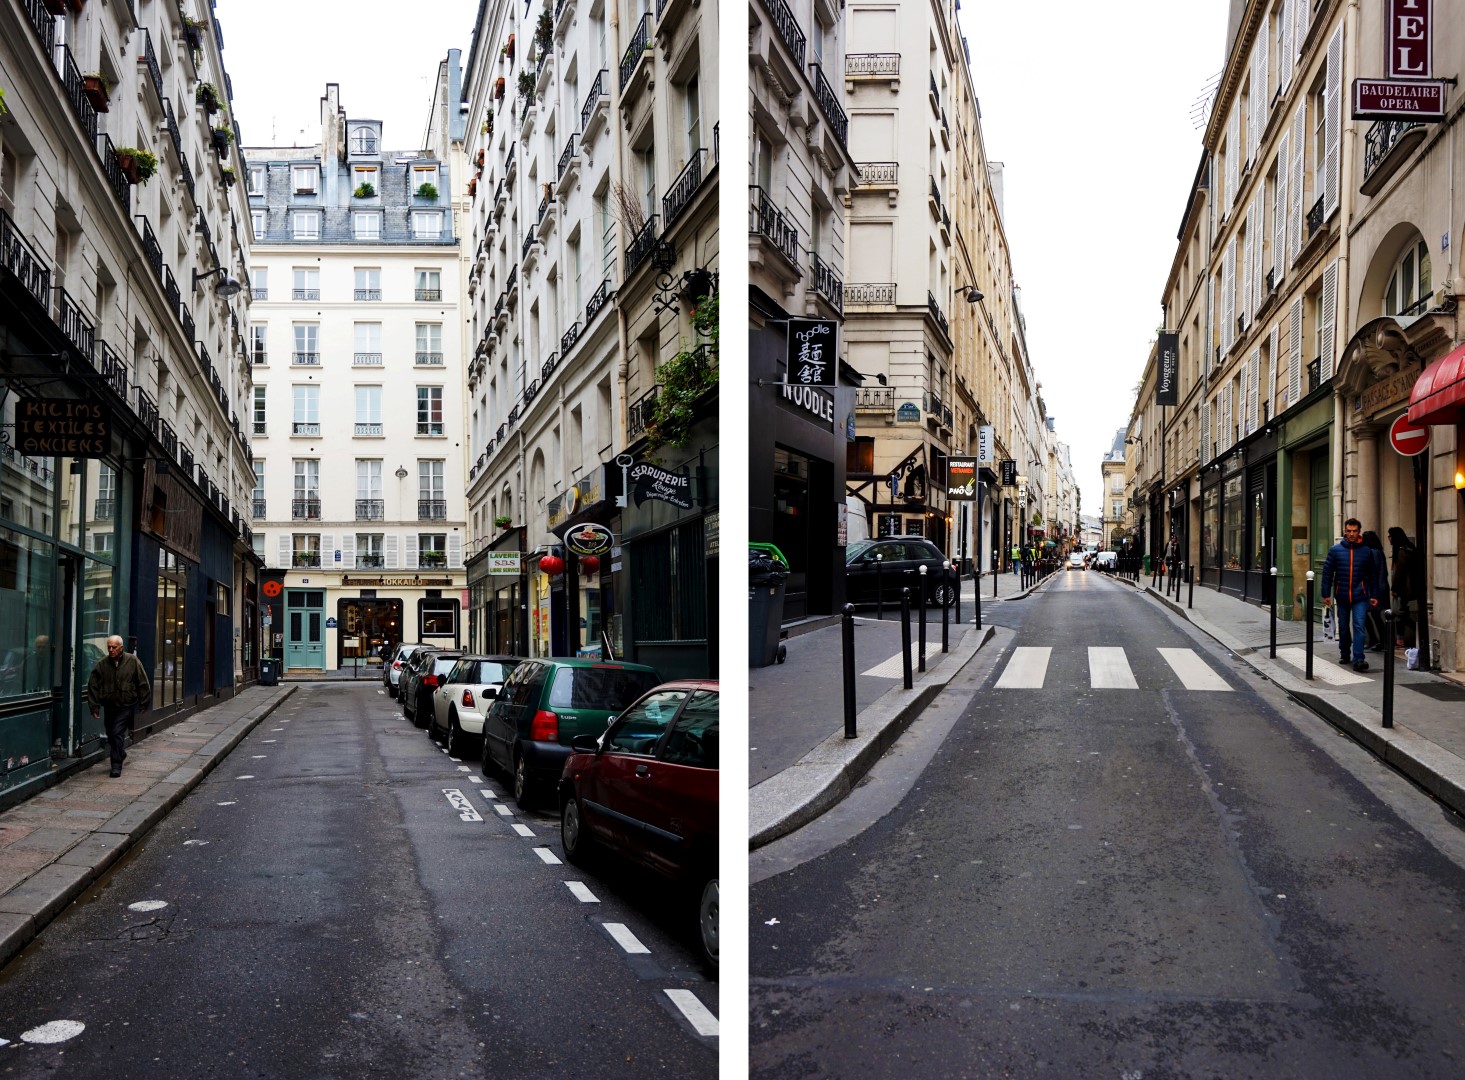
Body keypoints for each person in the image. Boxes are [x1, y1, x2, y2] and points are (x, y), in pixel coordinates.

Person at [1320, 519, 1389, 672]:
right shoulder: (1335, 550)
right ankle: (1345, 653)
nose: (1351, 534)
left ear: (1359, 532)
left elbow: (1372, 575)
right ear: (1345, 531)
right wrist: (1326, 593)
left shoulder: (1366, 552)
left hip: (1361, 595)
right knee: (1344, 627)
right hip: (1342, 595)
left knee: (1359, 625)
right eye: (1349, 531)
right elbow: (1327, 573)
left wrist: (1374, 595)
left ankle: (1359, 659)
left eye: (1354, 531)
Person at [85, 635, 150, 777]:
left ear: (121, 648)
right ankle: (120, 753)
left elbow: (142, 682)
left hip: (126, 705)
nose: (110, 649)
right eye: (108, 647)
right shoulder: (102, 664)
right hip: (109, 705)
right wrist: (94, 707)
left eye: (114, 647)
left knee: (117, 733)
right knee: (110, 735)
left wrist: (144, 703)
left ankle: (116, 766)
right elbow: (93, 685)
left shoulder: (132, 661)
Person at [1388, 526, 1418, 648]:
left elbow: (1399, 572)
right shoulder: (1409, 548)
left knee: (1399, 614)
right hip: (1409, 587)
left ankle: (1400, 639)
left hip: (1403, 588)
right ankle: (1403, 637)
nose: (1389, 539)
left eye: (1390, 536)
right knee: (1402, 613)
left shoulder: (1402, 550)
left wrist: (1394, 588)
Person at [1361, 531, 1388, 652]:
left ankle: (1375, 639)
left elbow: (1372, 572)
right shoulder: (1379, 552)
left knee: (1366, 613)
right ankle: (1381, 640)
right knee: (1376, 615)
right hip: (1378, 587)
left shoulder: (1372, 553)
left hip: (1373, 589)